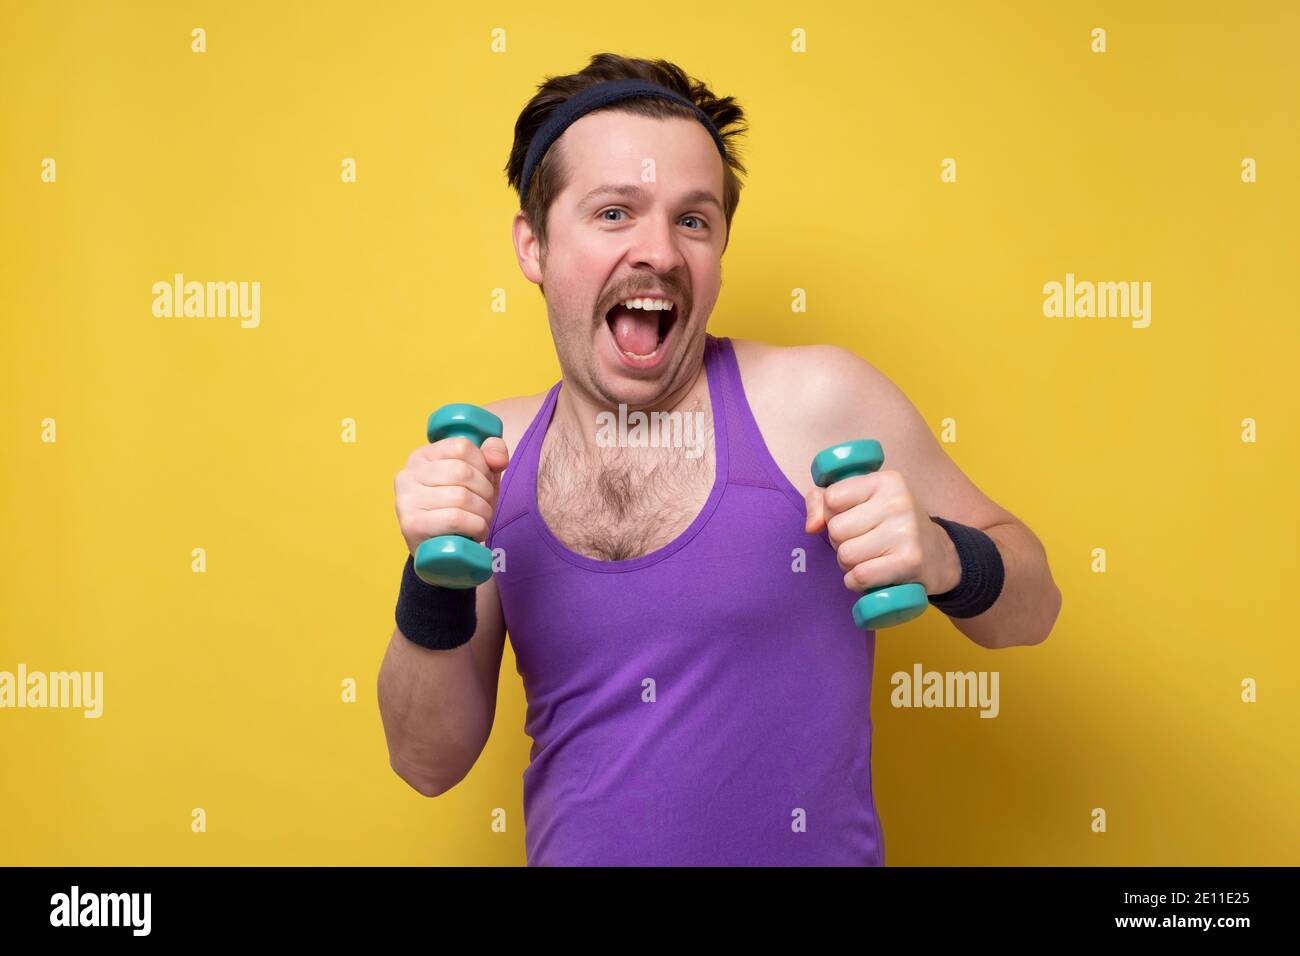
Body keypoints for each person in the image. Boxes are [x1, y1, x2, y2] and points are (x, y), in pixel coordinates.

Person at [378, 53, 1062, 866]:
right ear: (533, 244)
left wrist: (947, 557)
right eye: (614, 214)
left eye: (693, 221)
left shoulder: (815, 403)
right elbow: (426, 762)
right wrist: (430, 571)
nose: (660, 253)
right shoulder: (488, 455)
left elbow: (1036, 606)